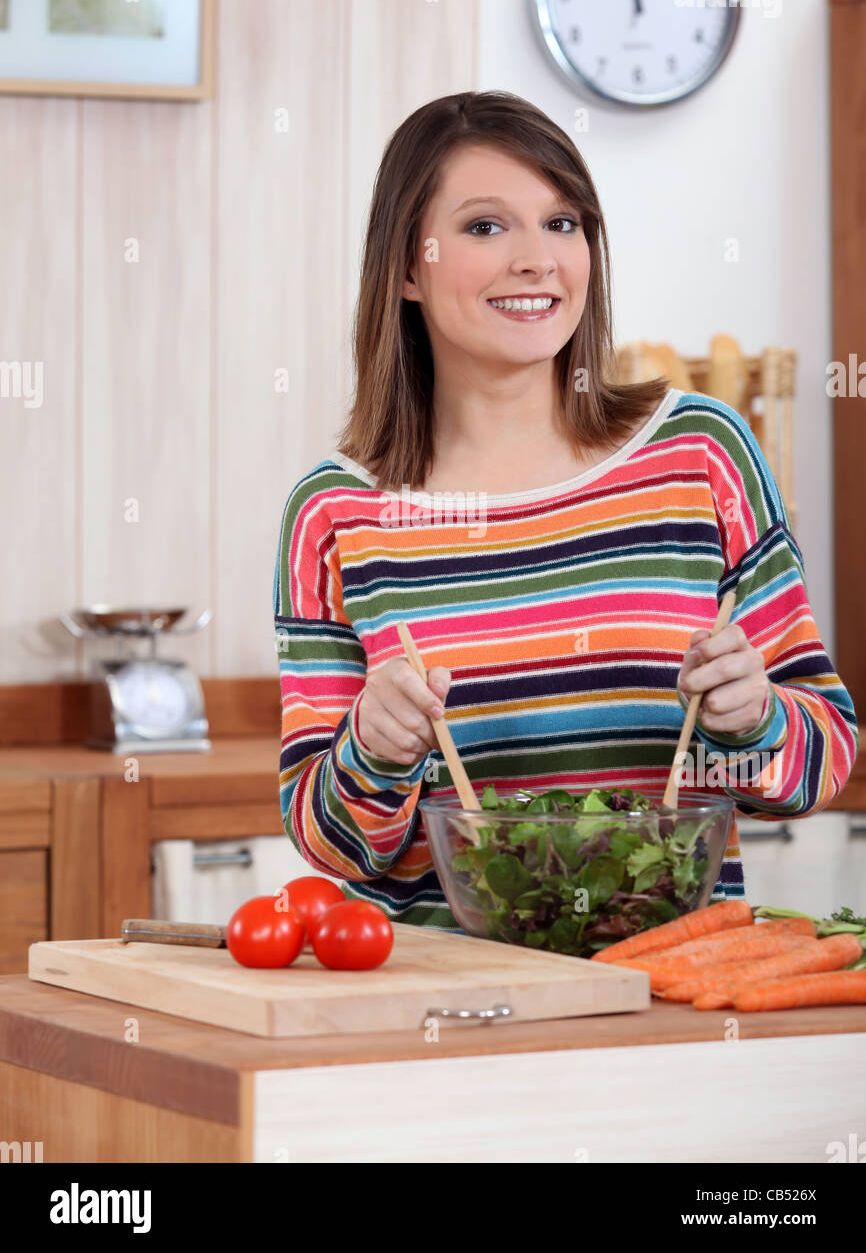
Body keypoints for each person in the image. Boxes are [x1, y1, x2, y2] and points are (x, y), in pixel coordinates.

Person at [272, 89, 858, 930]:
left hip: (672, 995)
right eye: (485, 226)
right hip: (447, 1008)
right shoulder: (336, 513)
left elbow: (824, 760)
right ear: (407, 266)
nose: (538, 259)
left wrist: (756, 722)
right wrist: (372, 748)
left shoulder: (699, 455)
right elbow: (330, 843)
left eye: (563, 223)